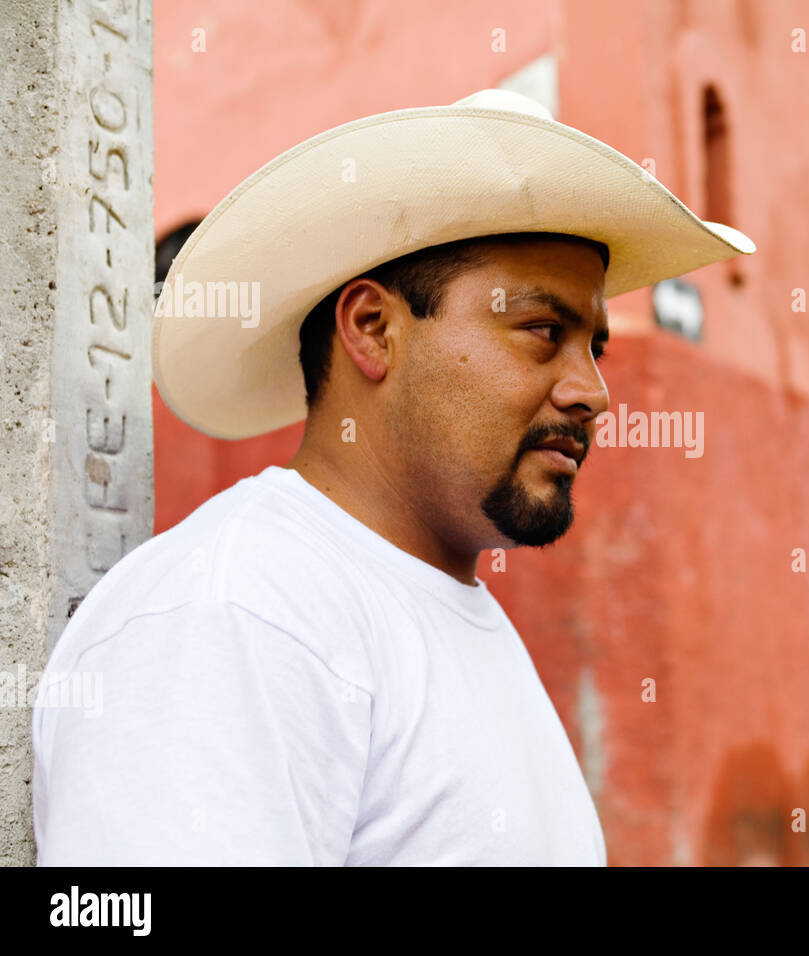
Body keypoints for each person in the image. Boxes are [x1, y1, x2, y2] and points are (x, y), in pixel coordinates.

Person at [31, 87, 753, 865]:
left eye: (595, 348)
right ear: (373, 329)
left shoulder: (430, 608)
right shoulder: (235, 610)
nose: (593, 392)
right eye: (544, 332)